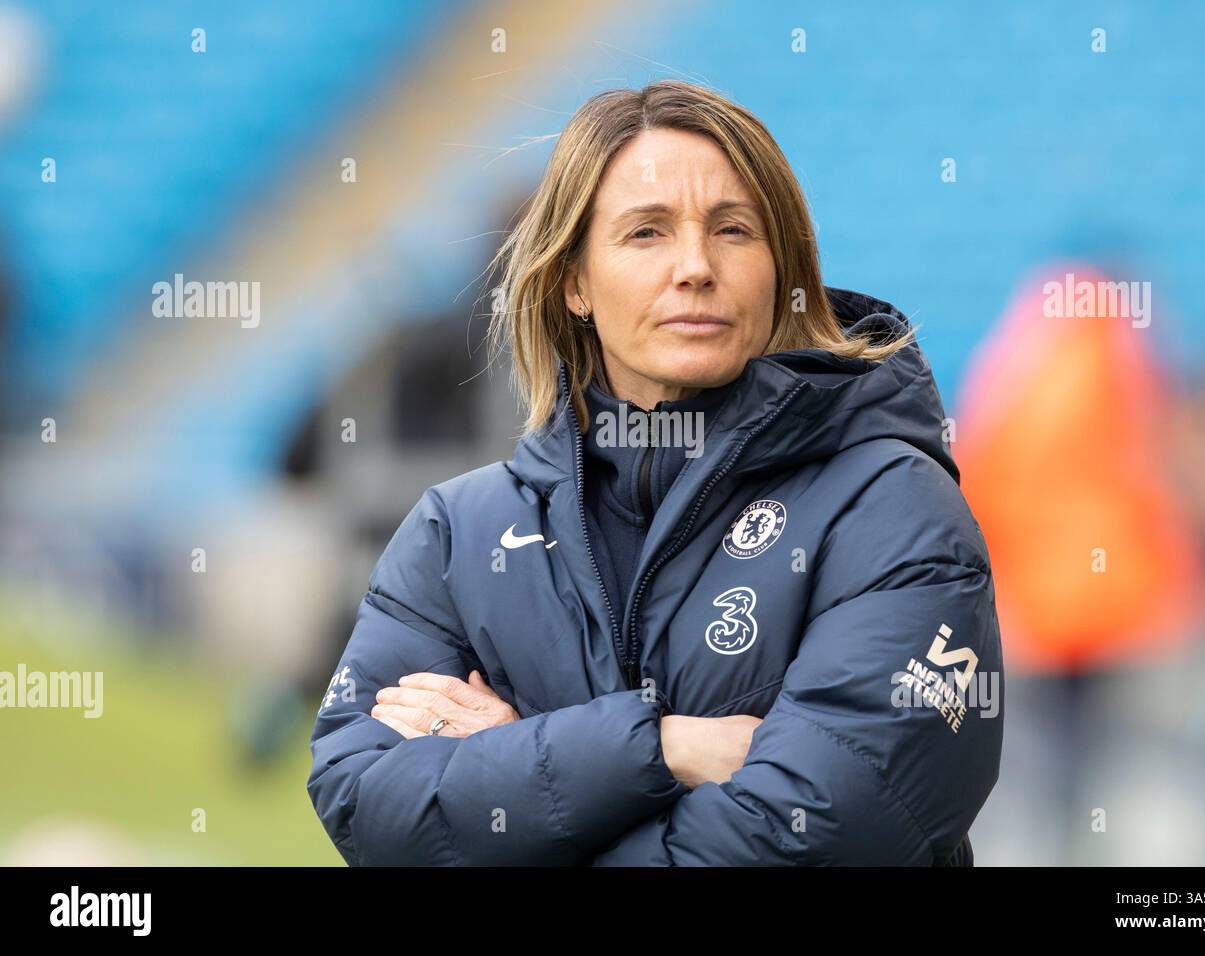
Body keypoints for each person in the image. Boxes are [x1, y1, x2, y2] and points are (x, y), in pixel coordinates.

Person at [306, 79, 1003, 866]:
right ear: (574, 282)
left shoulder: (892, 506)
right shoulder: (457, 533)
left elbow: (819, 836)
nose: (696, 267)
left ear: (784, 270)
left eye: (734, 231)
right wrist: (660, 748)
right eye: (646, 233)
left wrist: (521, 761)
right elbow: (369, 807)